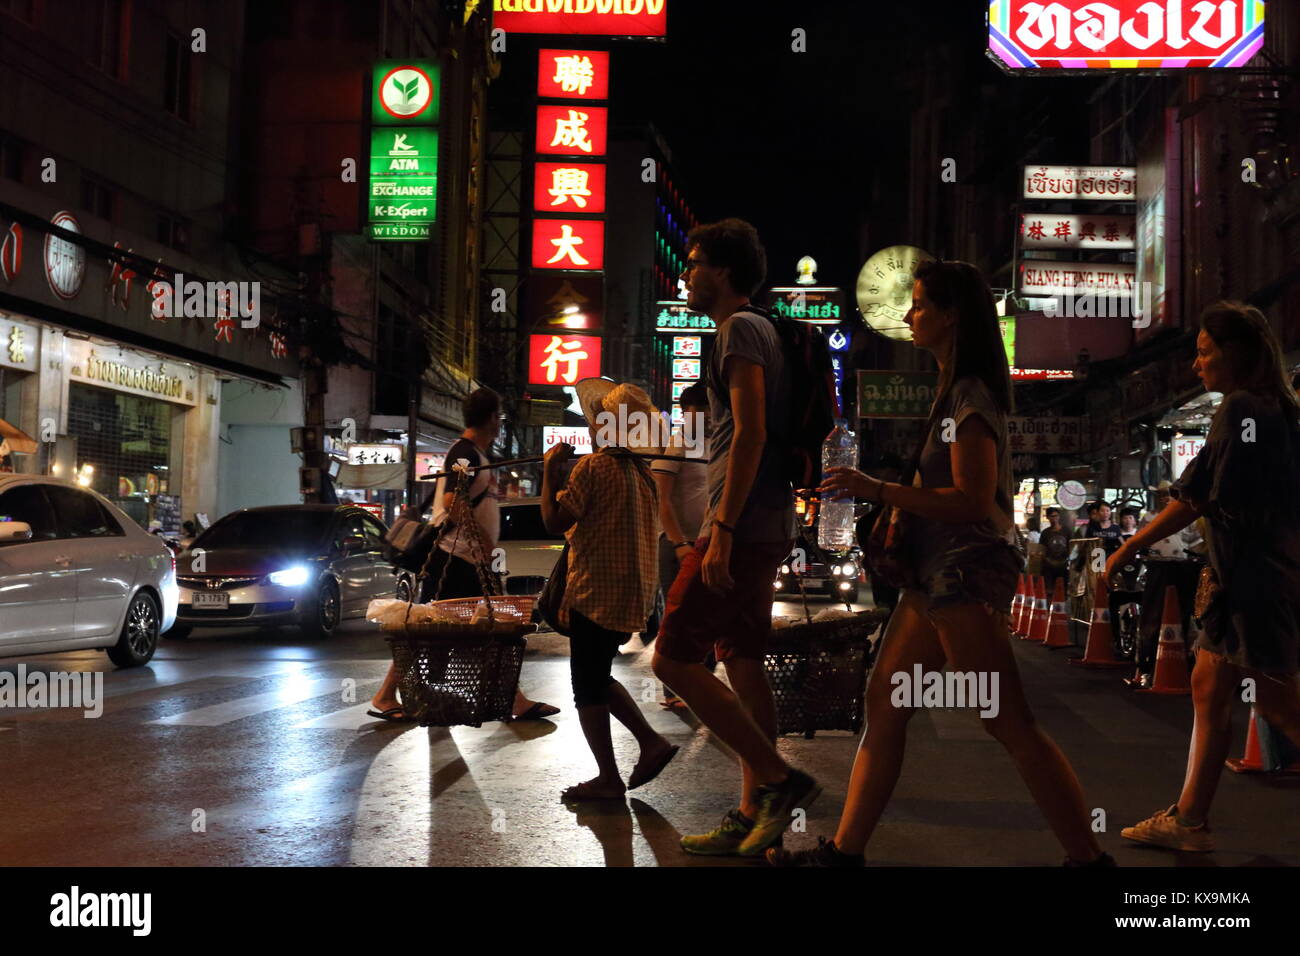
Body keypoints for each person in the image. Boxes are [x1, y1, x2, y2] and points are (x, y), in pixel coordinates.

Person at [769, 259, 1110, 867]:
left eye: (921, 305)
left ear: (951, 316)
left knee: (1008, 721)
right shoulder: (954, 391)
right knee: (884, 702)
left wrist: (878, 490)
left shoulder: (970, 397)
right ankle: (844, 852)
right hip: (933, 581)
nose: (908, 315)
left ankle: (1088, 858)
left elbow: (972, 500)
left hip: (959, 577)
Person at [651, 218, 820, 858]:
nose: (685, 276)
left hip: (742, 523)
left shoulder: (739, 329)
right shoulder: (758, 331)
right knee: (743, 663)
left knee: (672, 659)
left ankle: (780, 782)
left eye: (692, 264)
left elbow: (749, 432)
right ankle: (755, 813)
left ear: (720, 271)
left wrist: (719, 528)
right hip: (764, 520)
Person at [1107, 301, 1300, 851]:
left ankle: (1189, 820)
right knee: (1208, 687)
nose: (1196, 365)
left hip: (1252, 583)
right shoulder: (1273, 411)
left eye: (1204, 352)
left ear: (1234, 354)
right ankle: (1188, 821)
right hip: (1256, 578)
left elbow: (1200, 499)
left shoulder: (1243, 409)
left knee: (1280, 703)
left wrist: (1132, 547)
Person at [368, 388, 558, 723]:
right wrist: (482, 538)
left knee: (458, 629)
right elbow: (451, 503)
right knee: (451, 628)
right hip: (454, 558)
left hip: (463, 558)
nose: (500, 424)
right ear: (491, 419)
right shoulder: (465, 452)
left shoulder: (472, 453)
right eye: (498, 417)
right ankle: (387, 695)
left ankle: (511, 699)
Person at [541, 379, 679, 801]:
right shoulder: (642, 473)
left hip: (595, 591)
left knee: (586, 684)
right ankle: (649, 744)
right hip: (629, 595)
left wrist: (549, 472)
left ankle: (608, 776)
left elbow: (553, 522)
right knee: (597, 676)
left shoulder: (594, 467)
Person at [651, 381, 713, 710]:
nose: (704, 418)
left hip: (708, 544)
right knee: (675, 619)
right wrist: (678, 544)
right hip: (678, 545)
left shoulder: (716, 446)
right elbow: (663, 500)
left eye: (708, 411)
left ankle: (700, 683)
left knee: (706, 618)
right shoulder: (678, 444)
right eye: (697, 412)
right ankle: (673, 691)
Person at [1039, 507, 1072, 597]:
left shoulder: (1067, 531)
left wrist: (1070, 559)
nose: (1054, 518)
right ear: (1047, 517)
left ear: (1059, 517)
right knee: (1049, 591)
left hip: (1064, 564)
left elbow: (1072, 546)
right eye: (1051, 516)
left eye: (1056, 516)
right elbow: (1042, 549)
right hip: (1049, 565)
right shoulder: (1045, 533)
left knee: (1062, 590)